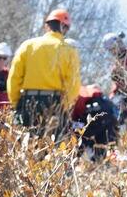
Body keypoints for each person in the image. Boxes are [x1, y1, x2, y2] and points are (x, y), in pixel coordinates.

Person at [7, 8, 82, 140]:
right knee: (53, 148)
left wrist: (16, 103)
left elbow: (14, 78)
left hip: (28, 102)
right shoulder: (69, 50)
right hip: (54, 104)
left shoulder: (28, 46)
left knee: (24, 147)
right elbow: (73, 85)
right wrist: (63, 106)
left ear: (46, 26)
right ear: (65, 29)